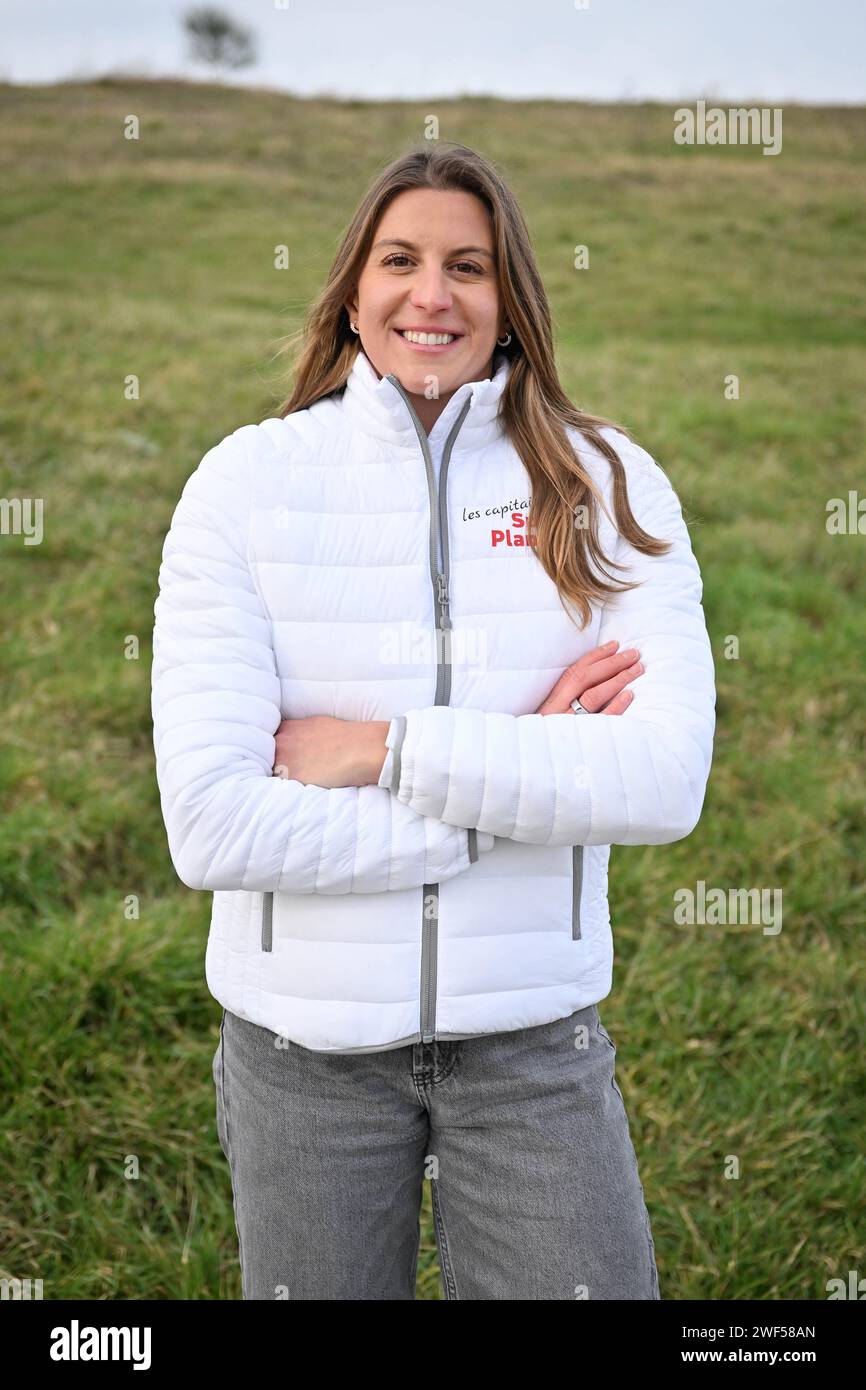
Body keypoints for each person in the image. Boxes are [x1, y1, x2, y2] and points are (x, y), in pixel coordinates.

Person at [151, 142, 716, 1300]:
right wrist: (519, 788)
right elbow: (213, 827)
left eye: (468, 265)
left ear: (509, 298)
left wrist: (378, 750)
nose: (431, 293)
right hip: (300, 1050)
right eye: (398, 259)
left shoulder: (606, 482)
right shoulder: (245, 486)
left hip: (531, 1047)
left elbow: (662, 780)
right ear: (352, 292)